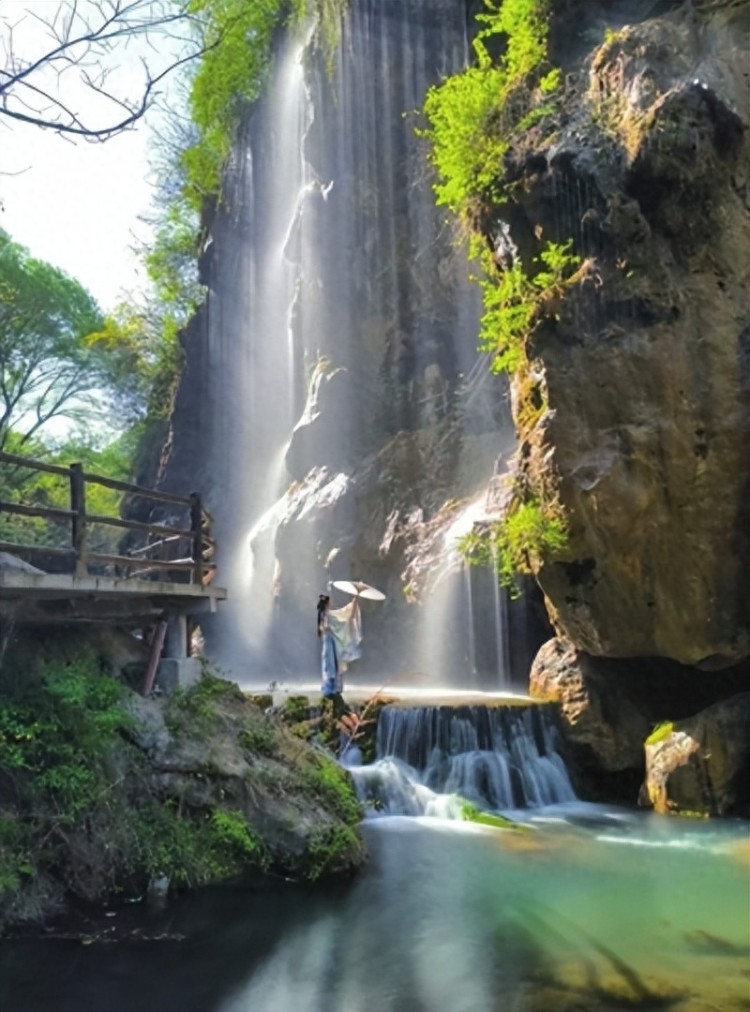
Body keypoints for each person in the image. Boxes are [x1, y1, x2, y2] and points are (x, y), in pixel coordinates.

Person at [318, 592, 362, 702]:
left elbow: (345, 613)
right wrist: (355, 600)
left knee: (332, 664)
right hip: (329, 643)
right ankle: (331, 689)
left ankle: (334, 689)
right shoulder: (326, 615)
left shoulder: (326, 615)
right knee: (330, 664)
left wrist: (355, 599)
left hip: (331, 643)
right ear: (327, 604)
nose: (331, 604)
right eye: (329, 602)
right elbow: (346, 616)